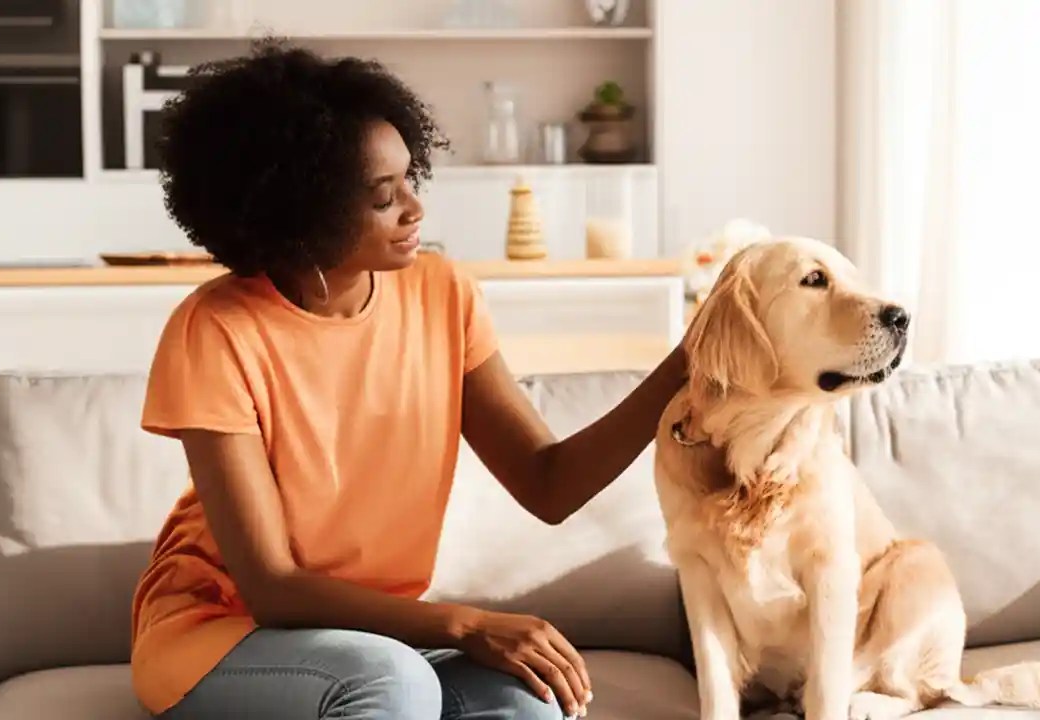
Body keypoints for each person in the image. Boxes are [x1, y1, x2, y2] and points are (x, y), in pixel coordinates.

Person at [130, 40, 687, 720]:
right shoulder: (216, 329)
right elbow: (272, 589)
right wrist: (467, 625)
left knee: (529, 705)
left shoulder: (443, 295)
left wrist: (685, 365)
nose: (414, 210)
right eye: (382, 197)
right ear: (300, 212)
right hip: (221, 639)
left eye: (410, 180)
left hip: (376, 640)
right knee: (392, 683)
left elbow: (549, 484)